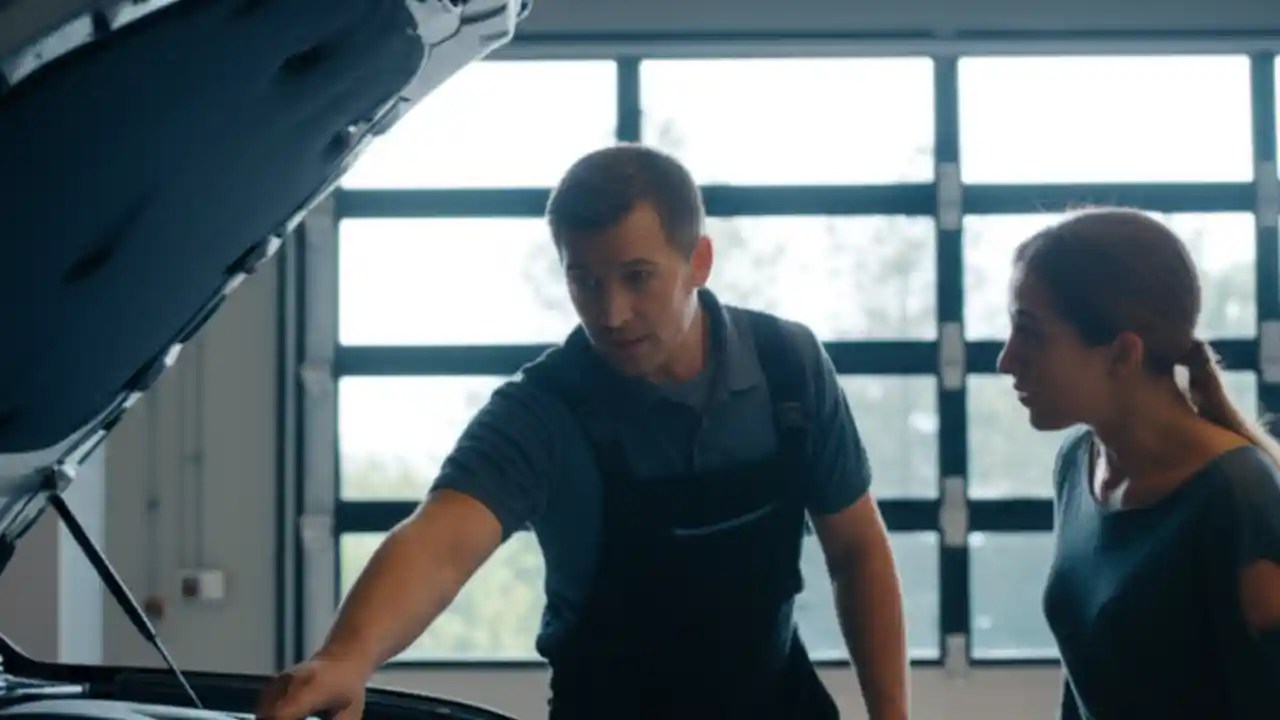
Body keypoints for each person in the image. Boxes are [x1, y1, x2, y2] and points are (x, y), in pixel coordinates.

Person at [255, 144, 910, 720]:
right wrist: (347, 656)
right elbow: (441, 541)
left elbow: (856, 551)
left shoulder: (789, 368)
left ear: (698, 261)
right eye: (585, 281)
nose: (611, 312)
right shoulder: (544, 408)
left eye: (637, 278)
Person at [995, 207, 1280, 719]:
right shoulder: (1078, 465)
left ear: (1122, 354)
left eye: (1031, 334)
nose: (1006, 359)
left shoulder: (1237, 496)